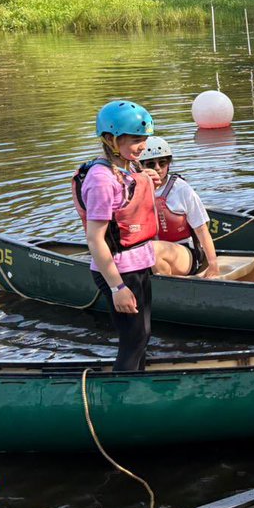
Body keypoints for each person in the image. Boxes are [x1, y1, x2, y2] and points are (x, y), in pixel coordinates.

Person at [71, 100, 159, 372]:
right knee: (133, 340)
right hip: (118, 271)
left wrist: (148, 180)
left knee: (143, 336)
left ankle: (138, 385)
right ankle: (123, 393)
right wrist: (117, 288)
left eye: (144, 139)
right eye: (135, 140)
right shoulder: (101, 179)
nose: (142, 146)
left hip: (138, 263)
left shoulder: (128, 167)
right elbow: (95, 238)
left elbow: (130, 206)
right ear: (111, 139)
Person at [140, 136, 221, 279]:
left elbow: (201, 230)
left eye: (162, 163)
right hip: (148, 253)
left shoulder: (182, 189)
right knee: (148, 251)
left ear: (169, 164)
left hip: (184, 252)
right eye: (151, 164)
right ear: (141, 166)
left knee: (152, 250)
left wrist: (213, 264)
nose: (157, 168)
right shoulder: (134, 189)